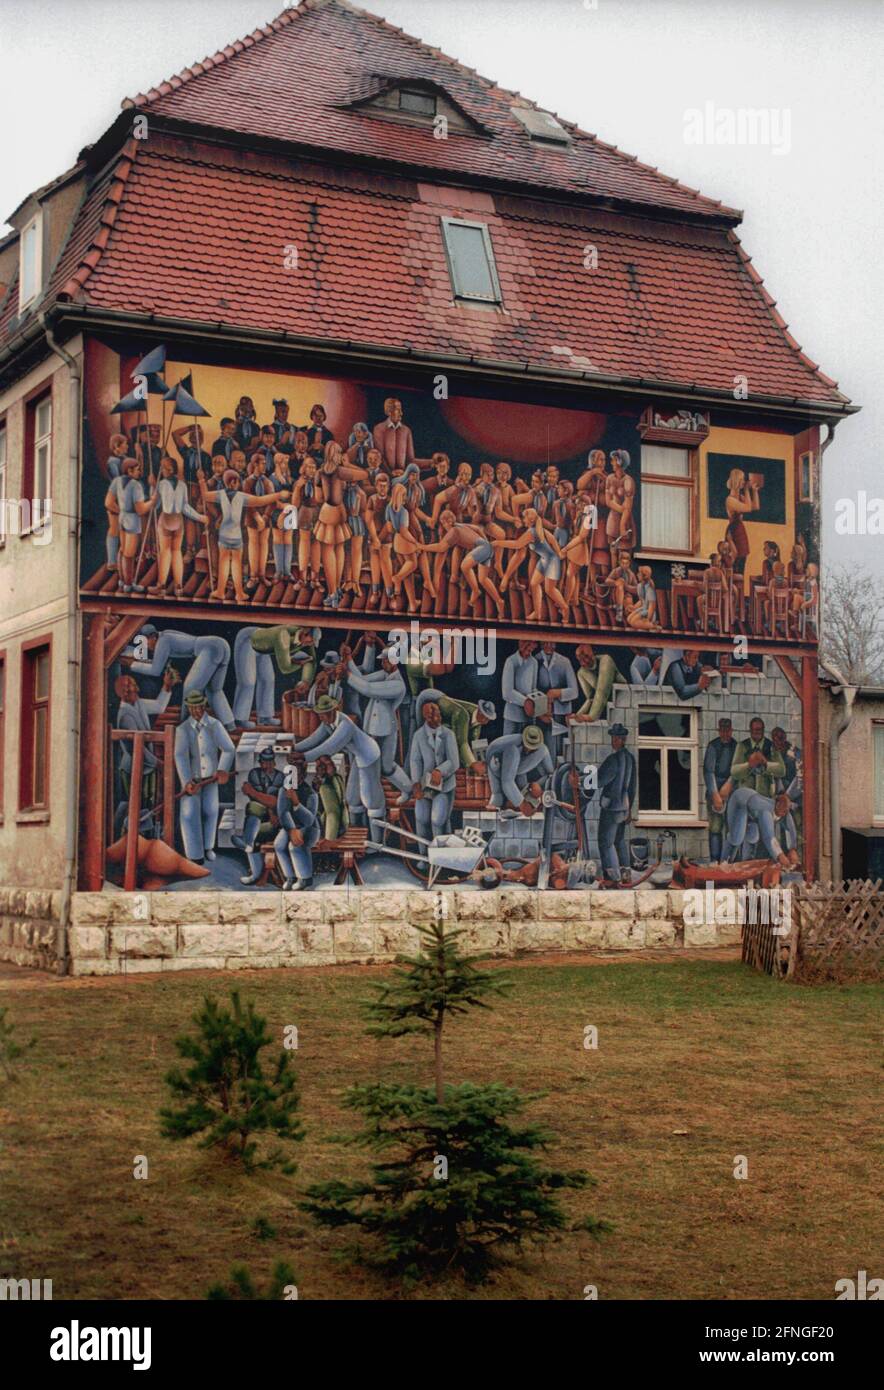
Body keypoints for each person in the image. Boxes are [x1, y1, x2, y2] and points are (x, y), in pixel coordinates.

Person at [290, 693, 386, 842]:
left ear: (331, 711)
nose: (320, 718)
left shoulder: (345, 725)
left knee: (371, 800)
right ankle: (359, 836)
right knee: (352, 798)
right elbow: (316, 738)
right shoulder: (328, 722)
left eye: (322, 714)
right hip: (358, 757)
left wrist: (304, 757)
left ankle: (377, 843)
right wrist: (294, 748)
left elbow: (329, 747)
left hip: (369, 756)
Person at [126, 623, 236, 729]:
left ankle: (187, 726)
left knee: (190, 688)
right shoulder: (165, 635)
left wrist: (132, 665)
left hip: (210, 649)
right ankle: (230, 724)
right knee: (214, 690)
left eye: (145, 643)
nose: (147, 648)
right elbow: (161, 662)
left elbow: (155, 670)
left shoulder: (163, 641)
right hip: (221, 645)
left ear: (153, 637)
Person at [199, 467, 280, 603]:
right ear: (232, 482)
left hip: (224, 535)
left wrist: (201, 480)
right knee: (236, 564)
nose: (238, 484)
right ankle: (239, 593)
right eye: (237, 482)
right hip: (236, 536)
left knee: (224, 562)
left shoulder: (220, 494)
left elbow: (205, 496)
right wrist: (278, 495)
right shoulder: (241, 497)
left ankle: (220, 590)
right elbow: (260, 501)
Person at [173, 689, 236, 863]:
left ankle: (208, 847)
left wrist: (222, 769)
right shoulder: (183, 729)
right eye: (192, 708)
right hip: (192, 781)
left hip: (211, 780)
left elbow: (229, 748)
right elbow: (180, 756)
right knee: (189, 814)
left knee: (210, 812)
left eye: (199, 707)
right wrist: (186, 781)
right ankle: (194, 856)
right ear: (189, 708)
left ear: (204, 706)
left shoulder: (215, 725)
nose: (197, 711)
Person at [342, 645, 412, 799]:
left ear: (393, 662)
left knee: (386, 768)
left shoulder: (398, 685)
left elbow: (368, 689)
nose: (382, 664)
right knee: (368, 760)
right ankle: (361, 796)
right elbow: (362, 680)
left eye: (385, 661)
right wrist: (349, 660)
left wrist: (346, 674)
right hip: (372, 726)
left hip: (386, 728)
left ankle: (408, 790)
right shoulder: (384, 674)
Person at [414, 509, 504, 616]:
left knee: (464, 566)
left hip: (482, 548)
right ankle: (499, 601)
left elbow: (441, 547)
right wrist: (486, 542)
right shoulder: (459, 525)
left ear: (449, 521)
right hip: (486, 547)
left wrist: (422, 546)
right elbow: (477, 529)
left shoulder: (453, 531)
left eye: (444, 523)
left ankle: (475, 590)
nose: (444, 526)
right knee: (483, 579)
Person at [232, 623, 318, 728]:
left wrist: (305, 680)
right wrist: (299, 663)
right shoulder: (283, 635)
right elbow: (285, 668)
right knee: (248, 682)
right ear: (305, 633)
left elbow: (312, 660)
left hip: (263, 646)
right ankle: (240, 718)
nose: (311, 644)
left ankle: (265, 717)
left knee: (268, 680)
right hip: (248, 640)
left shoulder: (306, 640)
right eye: (311, 640)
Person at [148, 455, 208, 598]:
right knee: (176, 552)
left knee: (165, 552)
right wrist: (200, 517)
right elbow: (185, 507)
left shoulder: (161, 484)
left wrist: (152, 487)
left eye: (163, 467)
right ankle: (178, 586)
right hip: (178, 521)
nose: (161, 470)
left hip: (166, 519)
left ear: (169, 469)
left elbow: (154, 506)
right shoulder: (182, 485)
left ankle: (161, 586)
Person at [408, 696, 460, 840]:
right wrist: (416, 783)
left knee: (438, 820)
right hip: (425, 786)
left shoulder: (449, 735)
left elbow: (454, 761)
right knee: (422, 819)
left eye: (439, 713)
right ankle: (424, 858)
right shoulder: (418, 736)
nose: (440, 717)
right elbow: (415, 761)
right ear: (428, 717)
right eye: (436, 715)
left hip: (445, 787)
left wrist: (440, 771)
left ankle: (441, 858)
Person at [595, 723, 636, 885]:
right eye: (612, 737)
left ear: (622, 740)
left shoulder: (613, 760)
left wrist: (579, 783)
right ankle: (626, 876)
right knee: (619, 841)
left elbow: (599, 780)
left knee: (605, 842)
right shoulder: (631, 758)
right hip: (624, 807)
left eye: (616, 738)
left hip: (611, 807)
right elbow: (632, 787)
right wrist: (630, 809)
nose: (613, 740)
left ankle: (612, 878)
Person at [105, 458, 155, 594]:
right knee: (129, 554)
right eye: (138, 469)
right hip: (132, 520)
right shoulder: (135, 485)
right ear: (130, 470)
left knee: (122, 550)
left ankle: (122, 580)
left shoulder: (117, 481)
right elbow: (140, 510)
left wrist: (121, 510)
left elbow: (108, 503)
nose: (140, 472)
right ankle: (128, 584)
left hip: (122, 518)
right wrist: (152, 501)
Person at [486, 724, 554, 817]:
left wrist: (538, 785)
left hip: (512, 764)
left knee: (543, 751)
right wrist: (523, 805)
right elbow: (507, 781)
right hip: (497, 765)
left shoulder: (541, 748)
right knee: (498, 800)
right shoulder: (513, 750)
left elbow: (552, 774)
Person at [238, 747, 285, 866]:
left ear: (274, 762)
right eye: (264, 762)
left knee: (258, 831)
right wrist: (270, 809)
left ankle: (247, 843)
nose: (267, 766)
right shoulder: (254, 773)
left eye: (270, 762)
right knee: (253, 806)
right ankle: (248, 843)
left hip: (277, 819)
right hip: (262, 813)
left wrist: (252, 792)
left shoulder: (280, 777)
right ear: (260, 762)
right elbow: (260, 800)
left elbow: (274, 801)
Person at [273, 778, 320, 891]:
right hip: (291, 825)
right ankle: (290, 877)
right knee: (279, 844)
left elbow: (309, 820)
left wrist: (296, 803)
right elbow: (282, 812)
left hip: (309, 828)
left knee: (295, 846)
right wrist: (291, 828)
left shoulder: (310, 793)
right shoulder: (283, 790)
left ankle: (304, 878)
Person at [703, 717, 737, 861]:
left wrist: (730, 784)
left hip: (733, 792)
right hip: (714, 791)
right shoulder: (713, 746)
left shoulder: (737, 746)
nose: (725, 733)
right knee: (716, 828)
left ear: (731, 730)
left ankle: (729, 861)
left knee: (732, 829)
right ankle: (714, 861)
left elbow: (737, 770)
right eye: (722, 730)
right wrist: (716, 794)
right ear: (719, 730)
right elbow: (708, 772)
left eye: (727, 730)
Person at [730, 717, 786, 797]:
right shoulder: (742, 746)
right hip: (745, 796)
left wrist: (766, 763)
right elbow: (734, 772)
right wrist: (749, 765)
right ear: (750, 730)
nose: (758, 732)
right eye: (755, 729)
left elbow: (782, 770)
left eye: (760, 729)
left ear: (763, 730)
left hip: (766, 797)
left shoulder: (771, 746)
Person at [724, 468, 760, 576]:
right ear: (736, 481)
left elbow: (755, 507)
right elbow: (748, 508)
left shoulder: (739, 497)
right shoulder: (730, 500)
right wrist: (746, 490)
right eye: (742, 480)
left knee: (742, 562)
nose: (744, 482)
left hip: (740, 531)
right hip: (734, 532)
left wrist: (754, 491)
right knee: (734, 564)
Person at [570, 644, 617, 723]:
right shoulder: (581, 672)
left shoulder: (606, 660)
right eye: (580, 659)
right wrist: (578, 715)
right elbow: (590, 698)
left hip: (623, 699)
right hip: (608, 706)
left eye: (586, 657)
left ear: (593, 653)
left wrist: (591, 716)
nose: (584, 662)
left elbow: (602, 690)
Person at [501, 640, 539, 735]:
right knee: (509, 747)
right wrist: (526, 702)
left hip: (529, 719)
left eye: (531, 644)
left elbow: (533, 688)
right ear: (519, 642)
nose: (528, 647)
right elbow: (507, 692)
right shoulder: (510, 661)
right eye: (526, 642)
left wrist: (539, 700)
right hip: (512, 718)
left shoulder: (534, 662)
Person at [373, 397, 418, 474]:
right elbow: (379, 457)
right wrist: (391, 473)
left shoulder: (406, 431)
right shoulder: (379, 429)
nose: (401, 413)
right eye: (398, 410)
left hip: (403, 477)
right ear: (389, 412)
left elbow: (411, 460)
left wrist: (432, 462)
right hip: (384, 478)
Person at [312, 754, 349, 842]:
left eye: (331, 763)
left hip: (334, 827)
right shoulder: (325, 784)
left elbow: (333, 811)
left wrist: (329, 839)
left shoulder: (333, 781)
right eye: (329, 764)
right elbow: (332, 812)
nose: (332, 766)